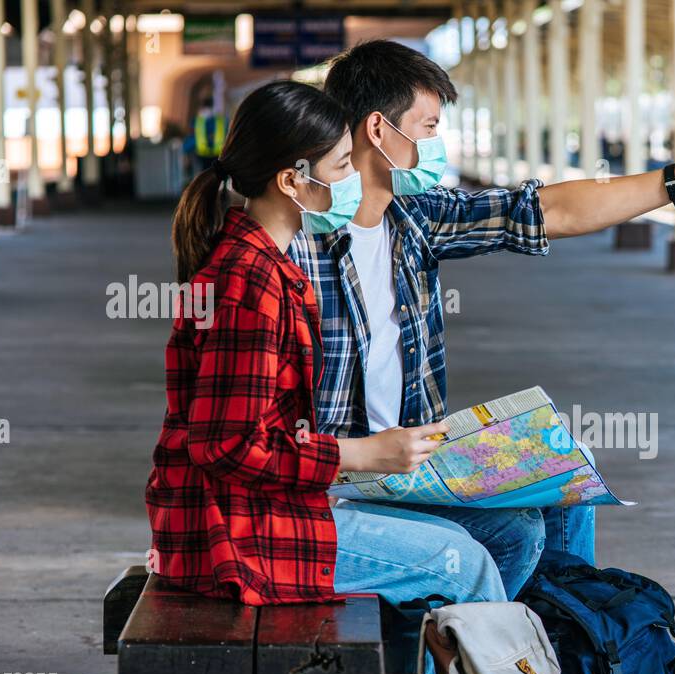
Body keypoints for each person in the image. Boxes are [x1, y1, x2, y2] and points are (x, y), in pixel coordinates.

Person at [290, 40, 675, 597]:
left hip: (407, 463)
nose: (436, 144)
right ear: (379, 131)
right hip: (338, 475)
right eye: (428, 127)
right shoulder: (297, 247)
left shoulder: (413, 219)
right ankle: (482, 666)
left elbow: (547, 210)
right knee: (514, 534)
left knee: (563, 484)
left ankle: (569, 645)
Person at [148, 80, 509, 617]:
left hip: (266, 508)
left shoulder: (268, 262)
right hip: (243, 533)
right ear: (293, 181)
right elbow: (226, 447)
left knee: (493, 534)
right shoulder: (251, 281)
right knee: (465, 561)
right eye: (343, 167)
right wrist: (361, 454)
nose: (353, 182)